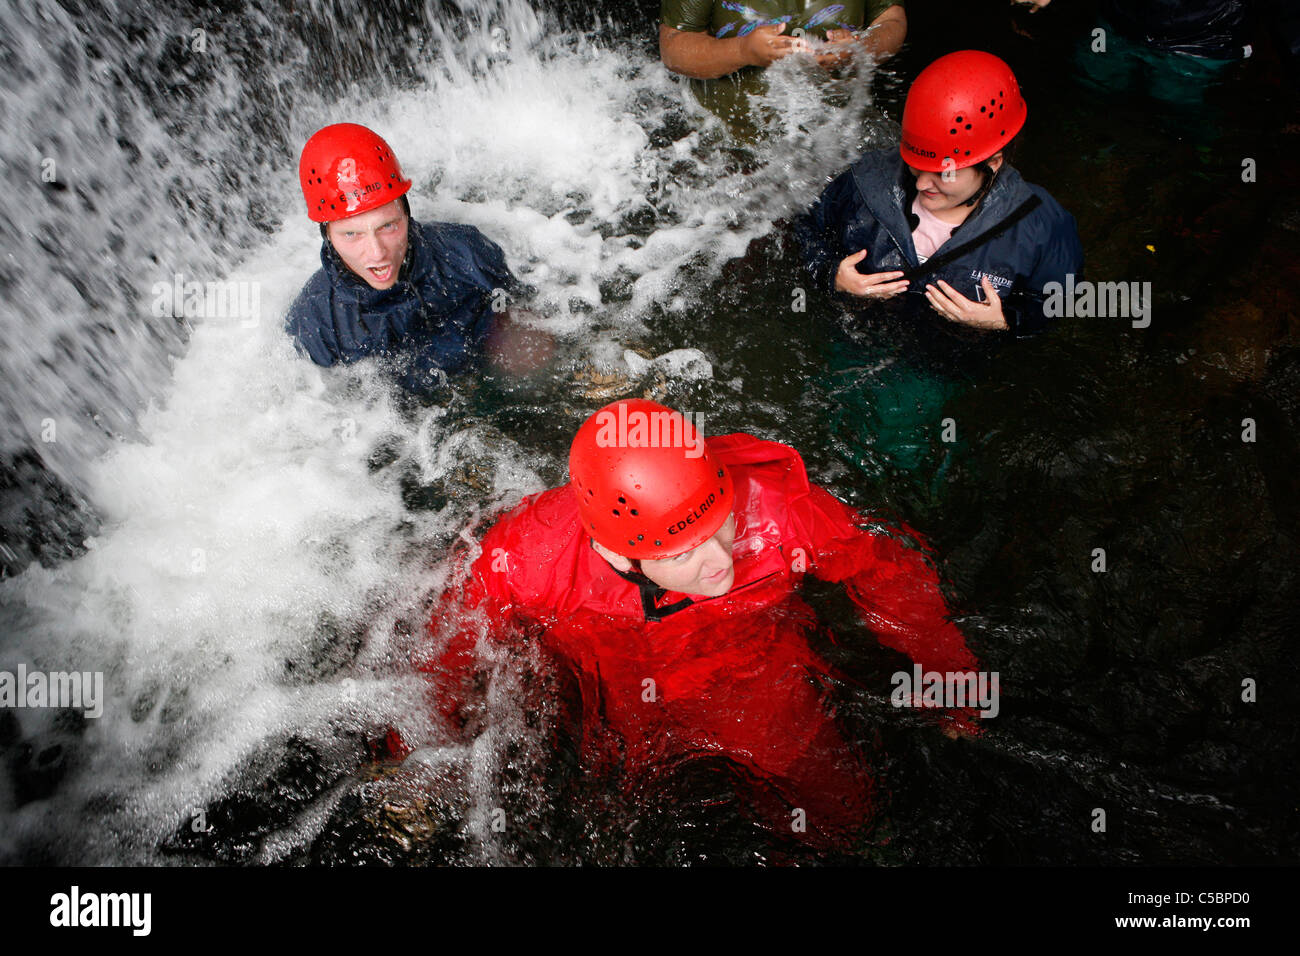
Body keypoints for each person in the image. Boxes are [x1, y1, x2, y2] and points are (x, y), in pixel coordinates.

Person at [420, 399, 981, 848]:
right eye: (684, 551)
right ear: (620, 557)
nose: (721, 561)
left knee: (847, 818)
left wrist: (951, 678)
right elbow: (453, 636)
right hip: (616, 693)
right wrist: (416, 747)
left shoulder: (777, 505)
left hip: (753, 678)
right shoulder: (529, 556)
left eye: (722, 524)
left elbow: (887, 568)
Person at [795, 49, 1083, 336]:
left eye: (943, 173)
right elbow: (807, 230)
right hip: (860, 339)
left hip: (953, 367)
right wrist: (832, 274)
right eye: (916, 167)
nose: (922, 185)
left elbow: (1059, 303)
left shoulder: (1040, 226)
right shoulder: (866, 183)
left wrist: (1005, 322)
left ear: (992, 163)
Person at [286, 123, 531, 392]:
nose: (377, 253)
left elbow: (517, 310)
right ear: (328, 235)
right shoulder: (315, 322)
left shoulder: (467, 254)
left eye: (388, 226)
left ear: (406, 214)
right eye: (352, 234)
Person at [659, 2, 908, 136]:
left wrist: (859, 48)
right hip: (725, 143)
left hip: (836, 141)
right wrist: (741, 51)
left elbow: (891, 20)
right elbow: (674, 47)